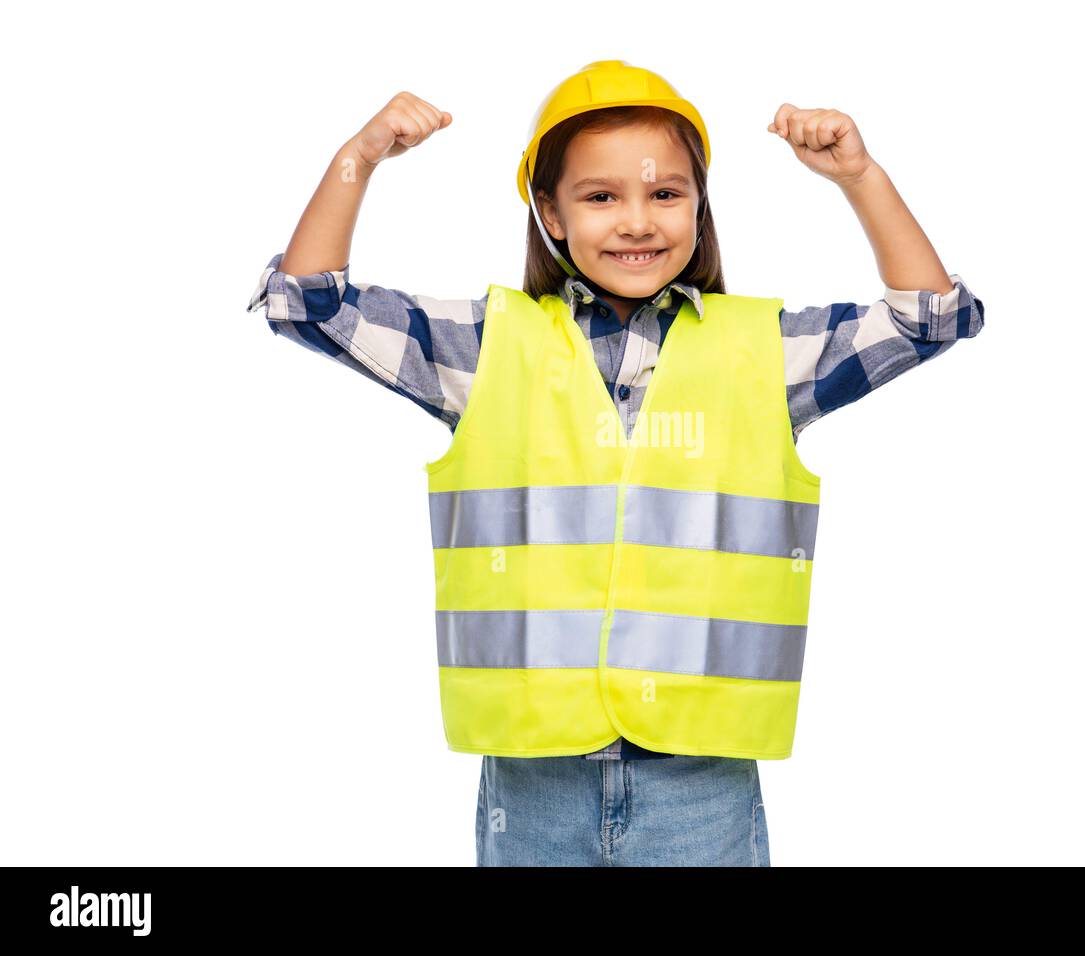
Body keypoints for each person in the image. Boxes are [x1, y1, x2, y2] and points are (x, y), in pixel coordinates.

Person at [246, 60, 985, 866]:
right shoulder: (487, 349)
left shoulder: (764, 354)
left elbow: (931, 320)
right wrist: (361, 155)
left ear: (700, 209)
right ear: (550, 213)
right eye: (601, 197)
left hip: (702, 781)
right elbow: (305, 302)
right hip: (532, 785)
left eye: (666, 193)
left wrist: (858, 177)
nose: (638, 220)